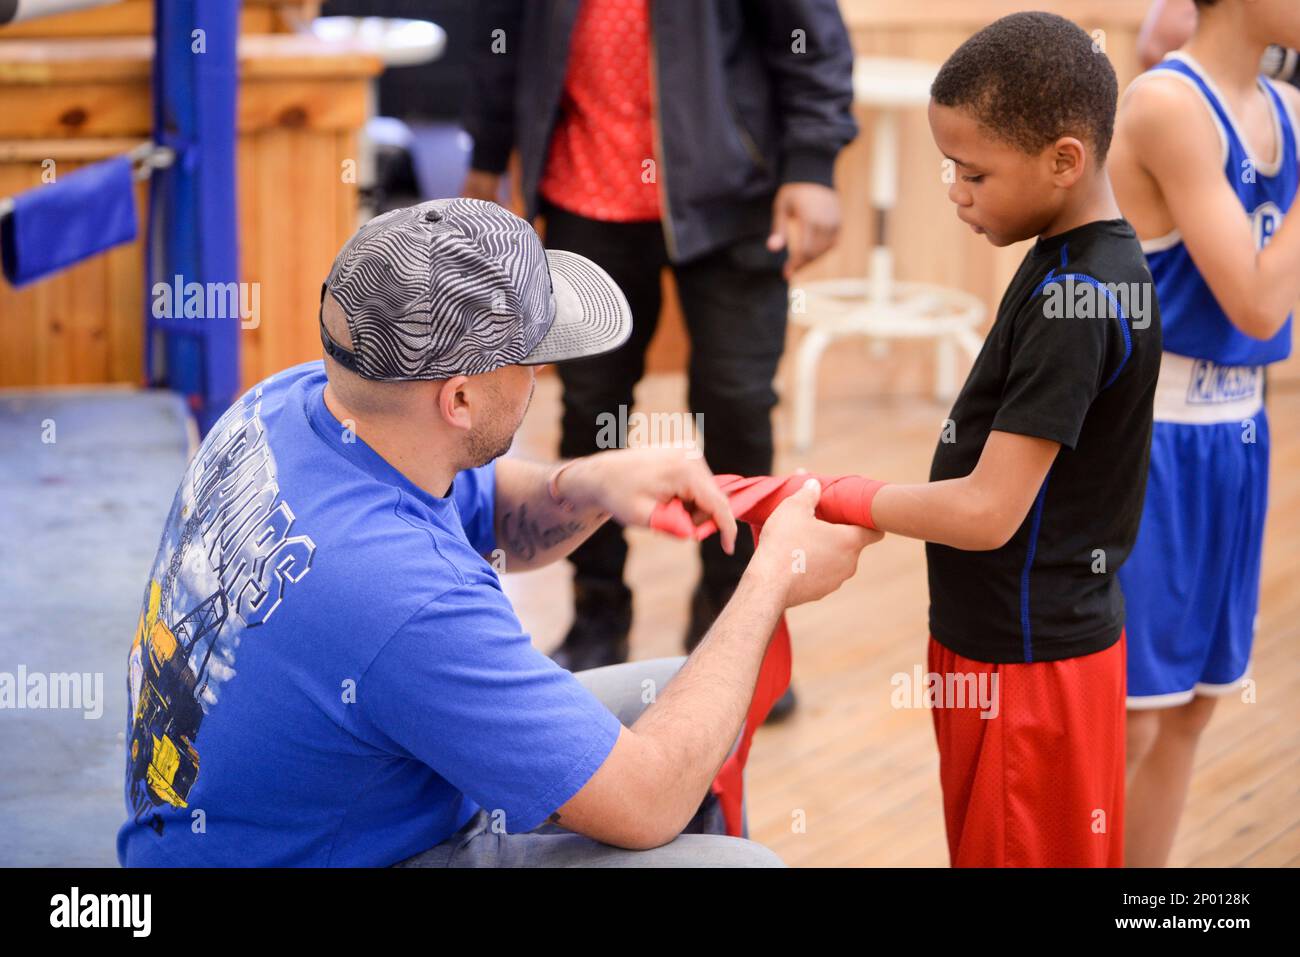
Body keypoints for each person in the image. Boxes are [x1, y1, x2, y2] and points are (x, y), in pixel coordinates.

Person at [117, 198, 878, 867]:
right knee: (740, 865)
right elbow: (648, 802)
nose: (541, 375)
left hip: (236, 828)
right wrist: (769, 579)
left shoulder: (293, 402)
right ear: (459, 398)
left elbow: (489, 510)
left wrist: (593, 484)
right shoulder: (406, 597)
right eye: (530, 360)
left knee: (680, 693)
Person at [461, 0, 859, 721]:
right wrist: (487, 159)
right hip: (583, 199)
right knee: (591, 409)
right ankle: (598, 619)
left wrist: (813, 164)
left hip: (734, 197)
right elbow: (503, 40)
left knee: (736, 405)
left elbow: (811, 40)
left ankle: (734, 629)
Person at [834, 13, 1163, 865]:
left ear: (1064, 160)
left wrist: (846, 497)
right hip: (1018, 650)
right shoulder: (1076, 259)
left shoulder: (1076, 299)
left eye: (973, 172)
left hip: (1027, 672)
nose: (956, 192)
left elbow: (987, 510)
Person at [1109, 0, 1300, 867]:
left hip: (1239, 429)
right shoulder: (1167, 105)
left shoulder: (1285, 108)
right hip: (1152, 434)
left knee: (1192, 706)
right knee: (1133, 719)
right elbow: (1257, 302)